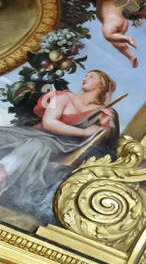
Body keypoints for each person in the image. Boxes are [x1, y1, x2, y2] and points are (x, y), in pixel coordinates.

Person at [0, 71, 117, 219]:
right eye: (85, 75)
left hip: (63, 147)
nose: (85, 77)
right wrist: (85, 132)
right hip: (37, 134)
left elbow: (105, 139)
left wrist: (106, 123)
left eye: (91, 76)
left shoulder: (104, 112)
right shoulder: (62, 97)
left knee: (35, 147)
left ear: (101, 86)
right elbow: (49, 123)